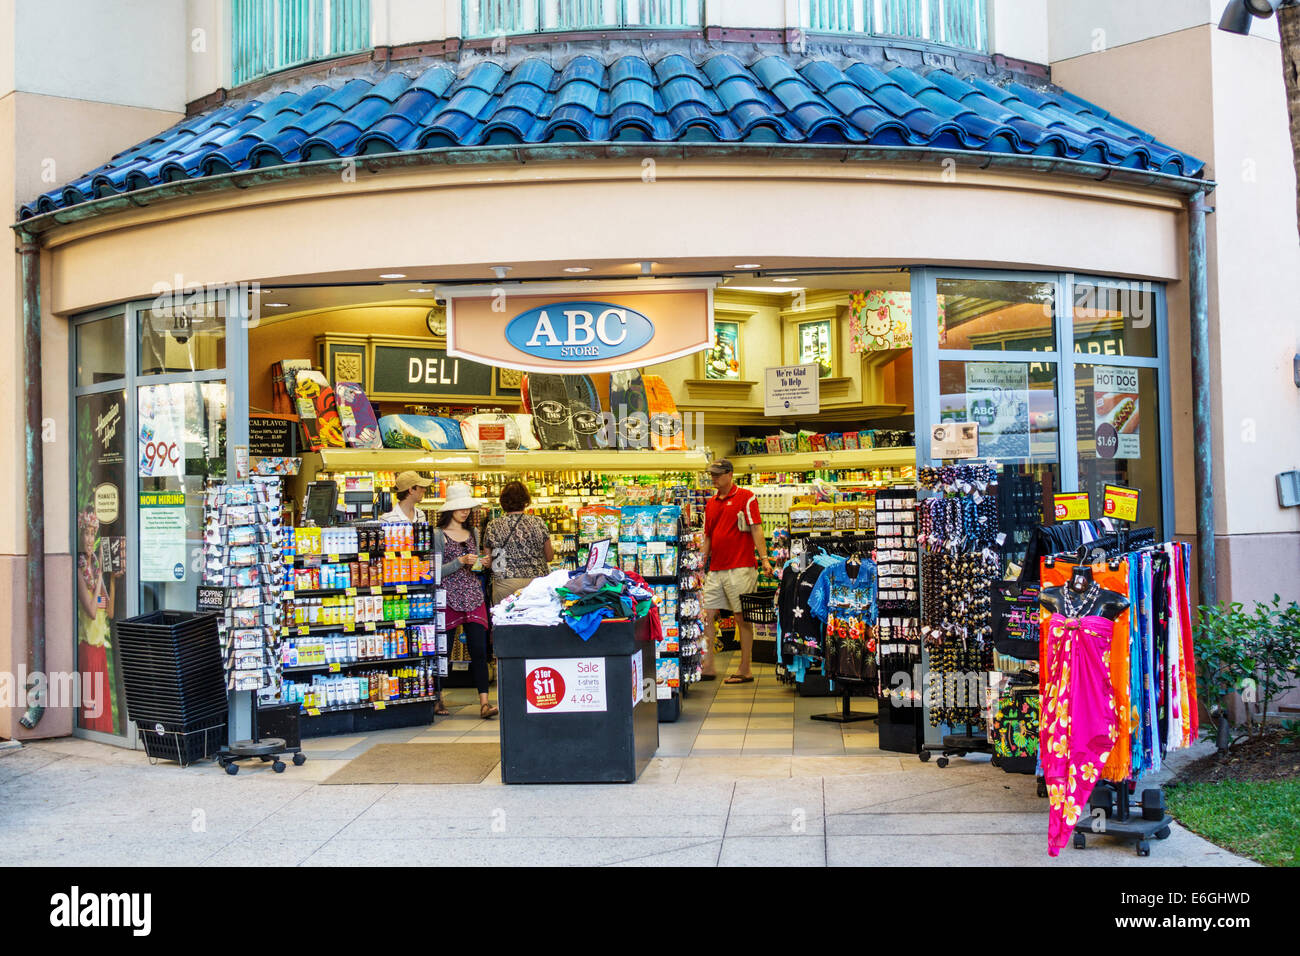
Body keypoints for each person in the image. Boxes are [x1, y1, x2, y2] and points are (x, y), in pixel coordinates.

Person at [700, 459, 773, 684]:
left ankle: (745, 668)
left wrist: (764, 559)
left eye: (718, 474)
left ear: (730, 474)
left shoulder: (746, 497)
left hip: (741, 567)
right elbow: (708, 536)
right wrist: (700, 565)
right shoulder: (710, 503)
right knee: (707, 615)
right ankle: (708, 665)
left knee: (742, 618)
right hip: (716, 569)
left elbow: (756, 528)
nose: (714, 478)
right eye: (712, 474)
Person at [435, 482, 498, 719]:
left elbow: (479, 565)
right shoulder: (438, 535)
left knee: (479, 650)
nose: (466, 512)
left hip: (473, 595)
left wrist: (484, 563)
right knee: (444, 650)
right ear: (450, 509)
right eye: (461, 508)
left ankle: (484, 702)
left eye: (468, 508)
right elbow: (435, 571)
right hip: (448, 597)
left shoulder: (474, 533)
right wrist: (459, 562)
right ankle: (438, 699)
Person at [484, 480, 554, 607]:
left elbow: (489, 562)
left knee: (505, 623)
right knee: (536, 624)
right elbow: (549, 557)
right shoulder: (538, 522)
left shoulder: (493, 525)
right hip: (536, 583)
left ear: (503, 501)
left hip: (505, 583)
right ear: (525, 501)